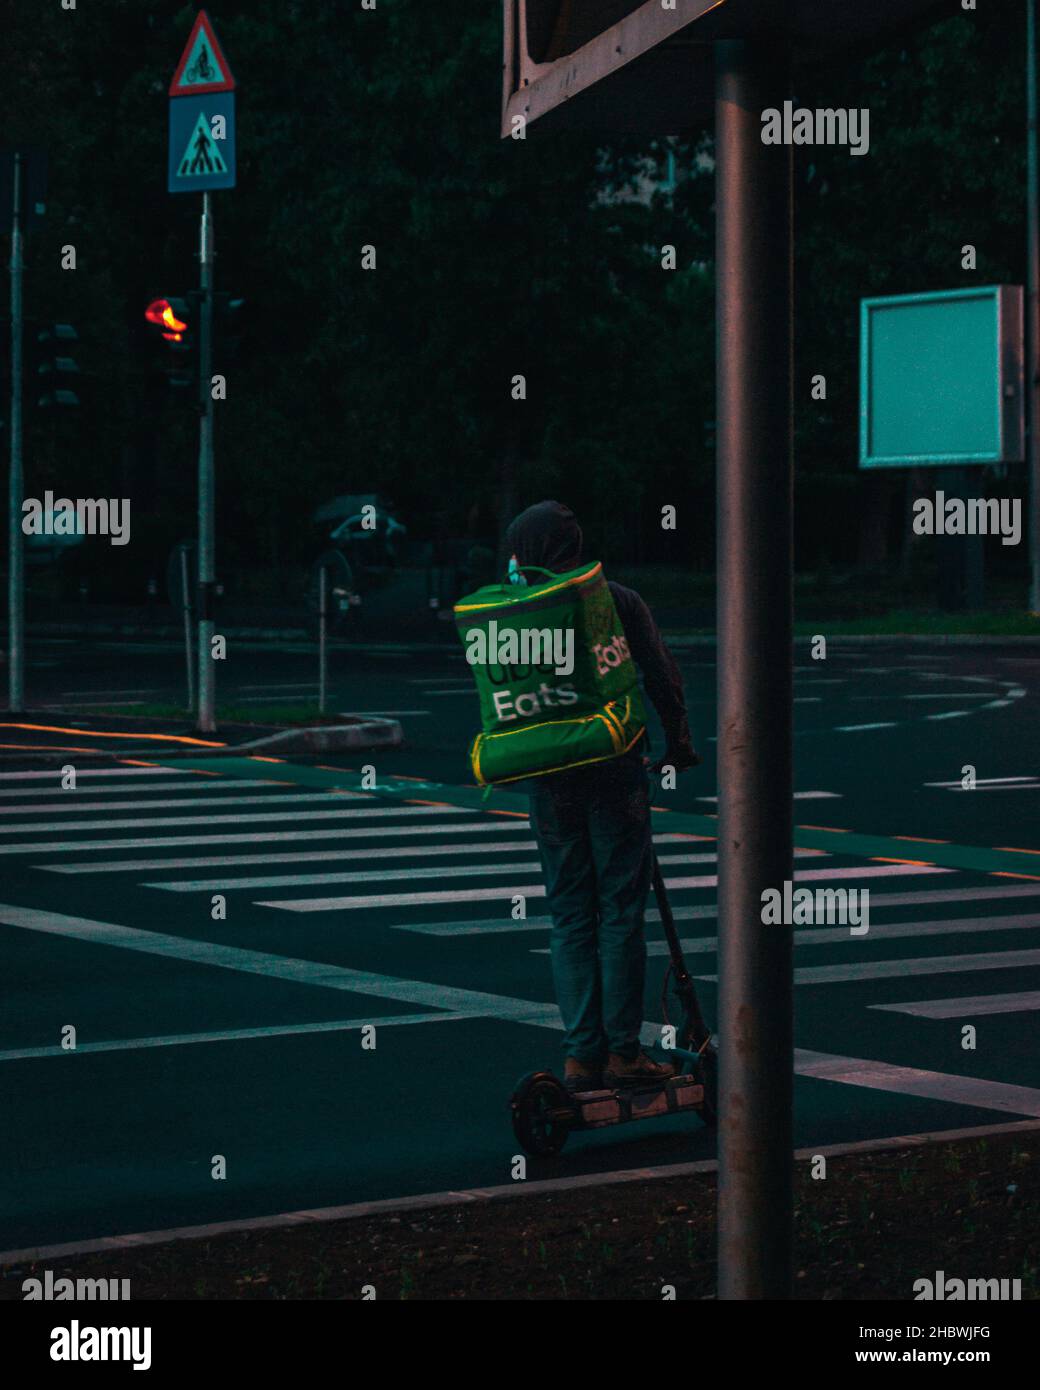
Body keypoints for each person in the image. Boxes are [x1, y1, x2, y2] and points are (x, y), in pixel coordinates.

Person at [504, 500, 700, 1093]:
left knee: (569, 916)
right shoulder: (615, 599)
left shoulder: (516, 611)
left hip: (549, 778)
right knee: (619, 912)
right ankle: (623, 1052)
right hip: (616, 773)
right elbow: (662, 674)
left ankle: (580, 1058)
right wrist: (680, 744)